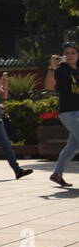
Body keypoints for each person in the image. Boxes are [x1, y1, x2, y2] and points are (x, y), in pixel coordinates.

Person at [44, 44, 79, 187]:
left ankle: (57, 174)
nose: (70, 55)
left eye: (73, 52)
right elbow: (49, 86)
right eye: (67, 53)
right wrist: (52, 67)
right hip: (69, 113)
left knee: (73, 146)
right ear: (62, 55)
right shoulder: (61, 70)